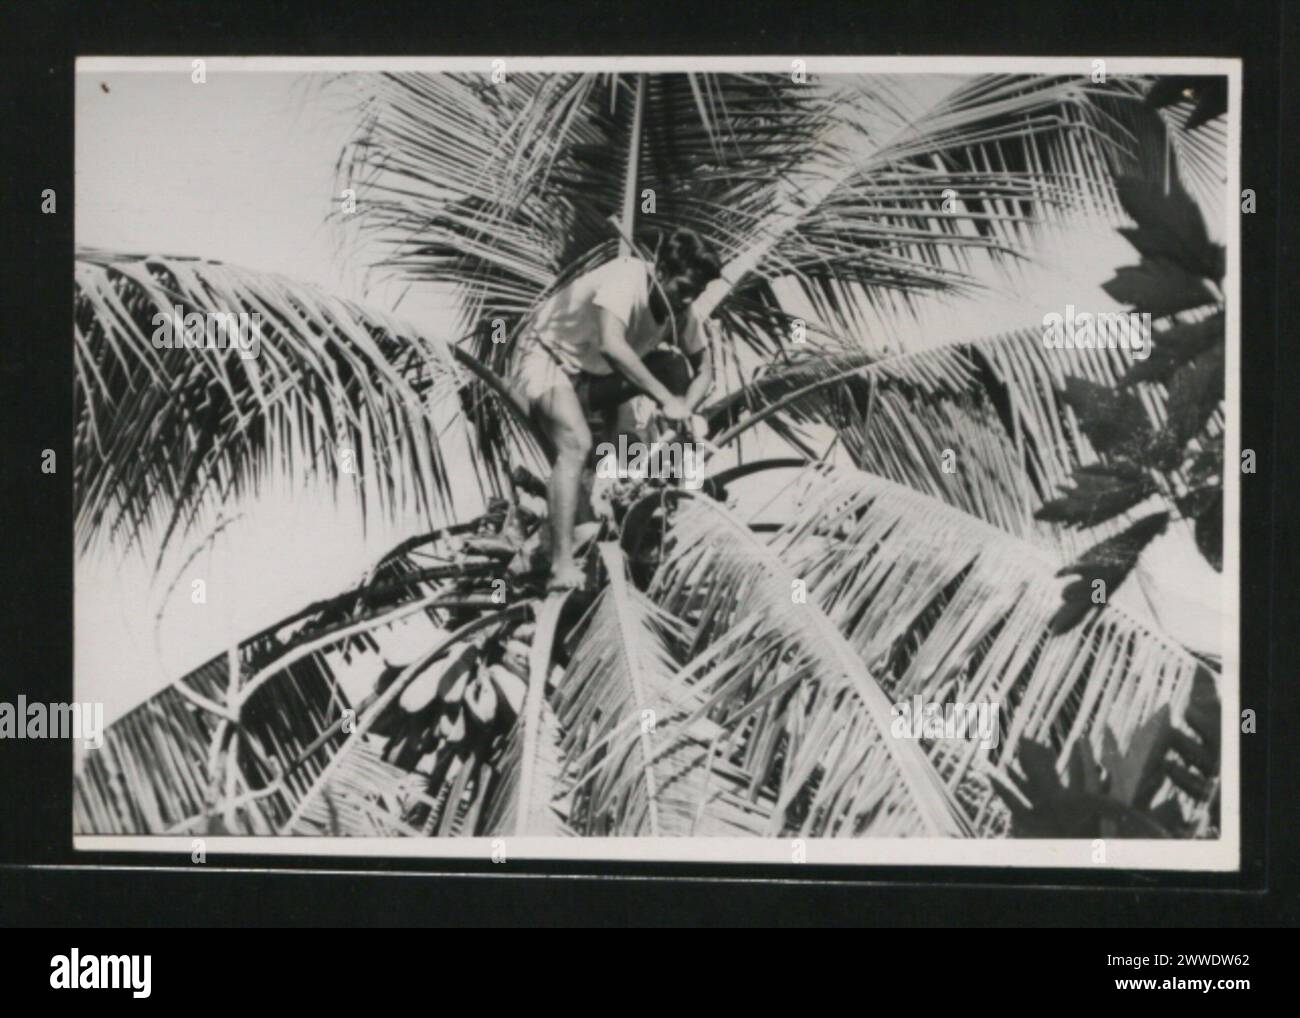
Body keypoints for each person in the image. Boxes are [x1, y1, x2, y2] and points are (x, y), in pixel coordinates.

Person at [509, 228, 722, 590]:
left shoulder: (682, 312)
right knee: (575, 444)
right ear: (661, 271)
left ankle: (653, 485)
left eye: (697, 293)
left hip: (590, 382)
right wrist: (667, 401)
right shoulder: (628, 276)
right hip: (543, 360)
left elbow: (705, 369)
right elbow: (612, 345)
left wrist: (685, 407)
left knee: (672, 366)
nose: (688, 299)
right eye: (683, 287)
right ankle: (560, 567)